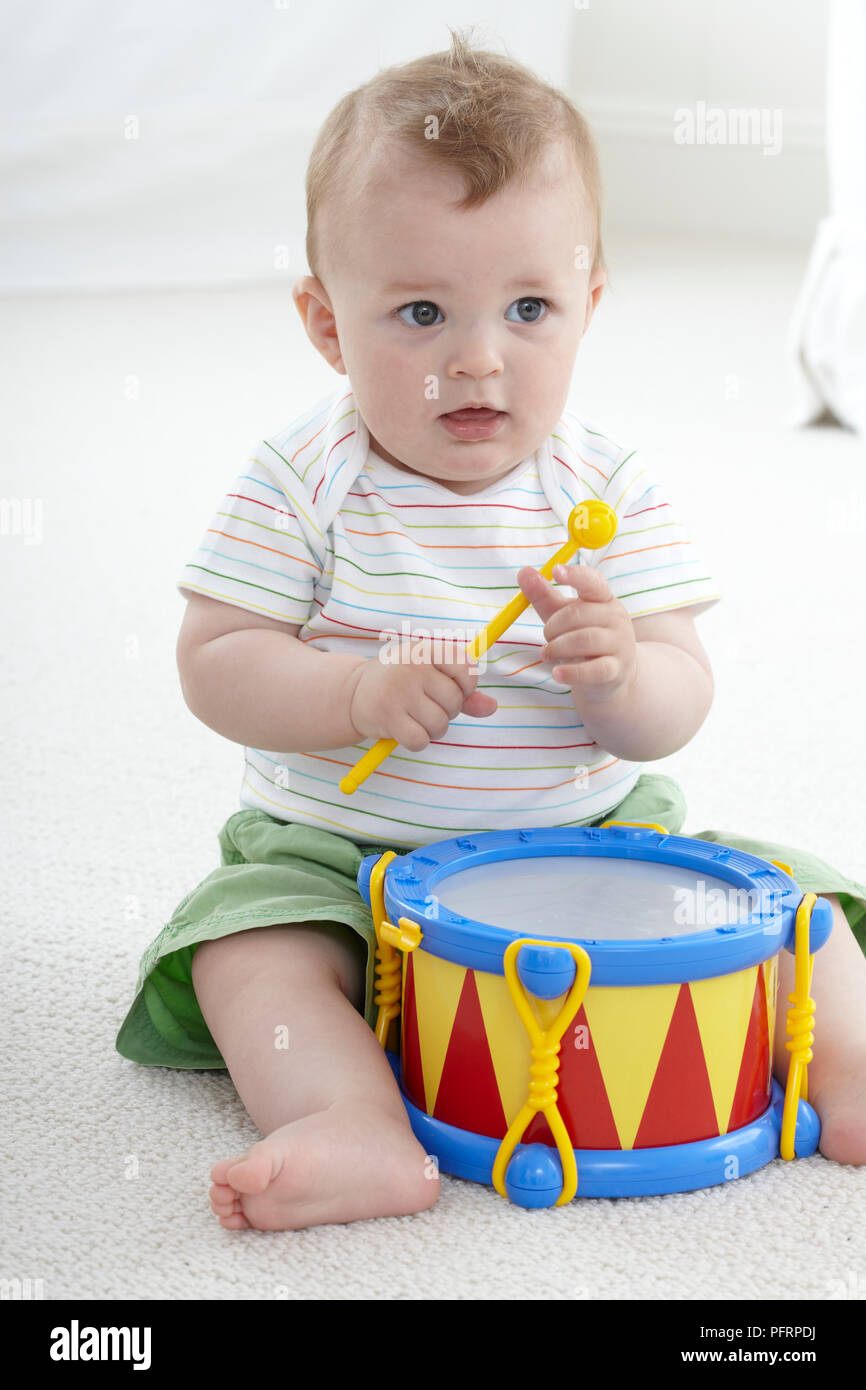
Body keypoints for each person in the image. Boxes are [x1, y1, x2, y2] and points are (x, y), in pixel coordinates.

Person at [115, 30, 866, 1231]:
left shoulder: (603, 486)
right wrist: (350, 698)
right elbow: (214, 663)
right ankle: (351, 1124)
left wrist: (624, 673)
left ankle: (845, 1074)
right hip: (342, 858)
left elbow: (678, 695)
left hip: (587, 839)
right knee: (245, 951)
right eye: (419, 311)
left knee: (798, 905)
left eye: (528, 308)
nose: (477, 360)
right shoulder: (304, 476)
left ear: (590, 305)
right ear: (324, 323)